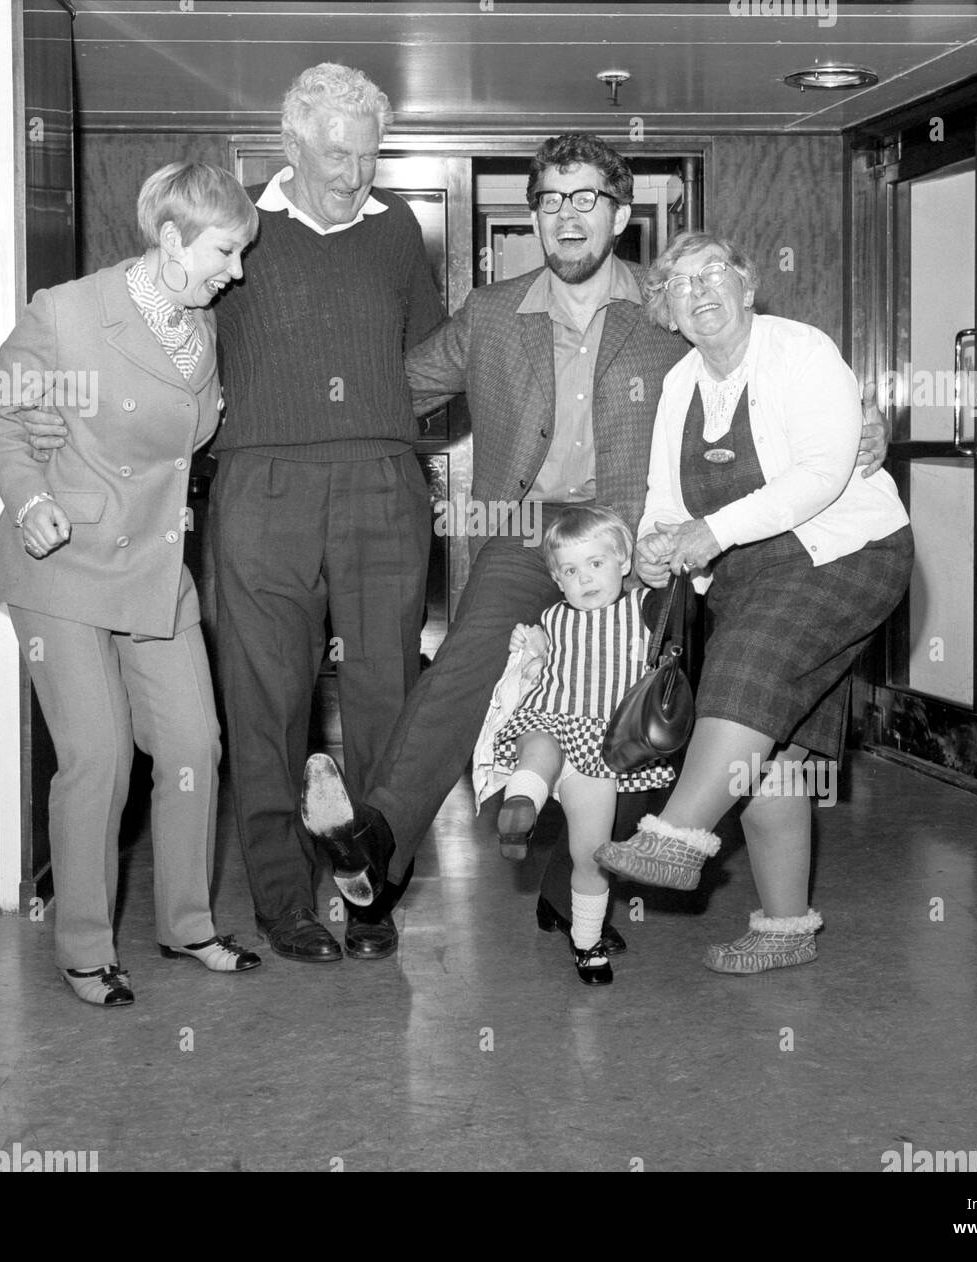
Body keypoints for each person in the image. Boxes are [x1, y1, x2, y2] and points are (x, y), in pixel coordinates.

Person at [301, 133, 891, 960]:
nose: (567, 216)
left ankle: (573, 883)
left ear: (619, 214)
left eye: (586, 199)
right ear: (533, 216)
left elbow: (758, 359)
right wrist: (274, 408)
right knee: (471, 664)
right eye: (550, 200)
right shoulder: (489, 314)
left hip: (633, 536)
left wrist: (869, 415)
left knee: (628, 710)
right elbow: (390, 394)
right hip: (524, 532)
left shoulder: (665, 304)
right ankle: (376, 842)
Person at [0, 162, 261, 1006]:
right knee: (96, 753)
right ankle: (85, 948)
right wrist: (27, 501)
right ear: (171, 240)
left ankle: (187, 924)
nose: (234, 271)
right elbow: (2, 416)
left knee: (191, 744)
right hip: (62, 564)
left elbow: (186, 434)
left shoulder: (197, 324)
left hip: (154, 565)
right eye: (225, 251)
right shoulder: (66, 313)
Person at [593, 232, 914, 974]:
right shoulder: (678, 385)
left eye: (715, 274)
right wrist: (652, 544)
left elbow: (823, 473)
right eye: (680, 285)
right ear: (666, 312)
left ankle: (677, 836)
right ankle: (785, 930)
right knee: (770, 759)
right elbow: (665, 502)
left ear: (746, 285)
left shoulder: (799, 351)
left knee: (744, 668)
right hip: (752, 576)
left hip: (846, 554)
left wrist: (710, 530)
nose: (701, 292)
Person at [204, 63, 443, 965]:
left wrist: (383, 425)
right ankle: (282, 902)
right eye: (337, 154)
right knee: (265, 698)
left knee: (388, 689)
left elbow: (430, 356)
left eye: (369, 155)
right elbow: (178, 335)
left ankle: (371, 886)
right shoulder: (242, 231)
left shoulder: (396, 231)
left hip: (382, 479)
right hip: (263, 483)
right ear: (291, 144)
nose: (355, 173)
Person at [485, 506, 678, 986]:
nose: (584, 578)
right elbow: (531, 672)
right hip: (550, 721)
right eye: (570, 570)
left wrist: (672, 557)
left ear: (624, 561)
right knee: (540, 748)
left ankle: (587, 942)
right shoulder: (549, 618)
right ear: (556, 578)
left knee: (592, 855)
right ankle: (520, 809)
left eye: (597, 563)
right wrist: (526, 649)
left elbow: (680, 608)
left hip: (603, 749)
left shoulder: (643, 610)